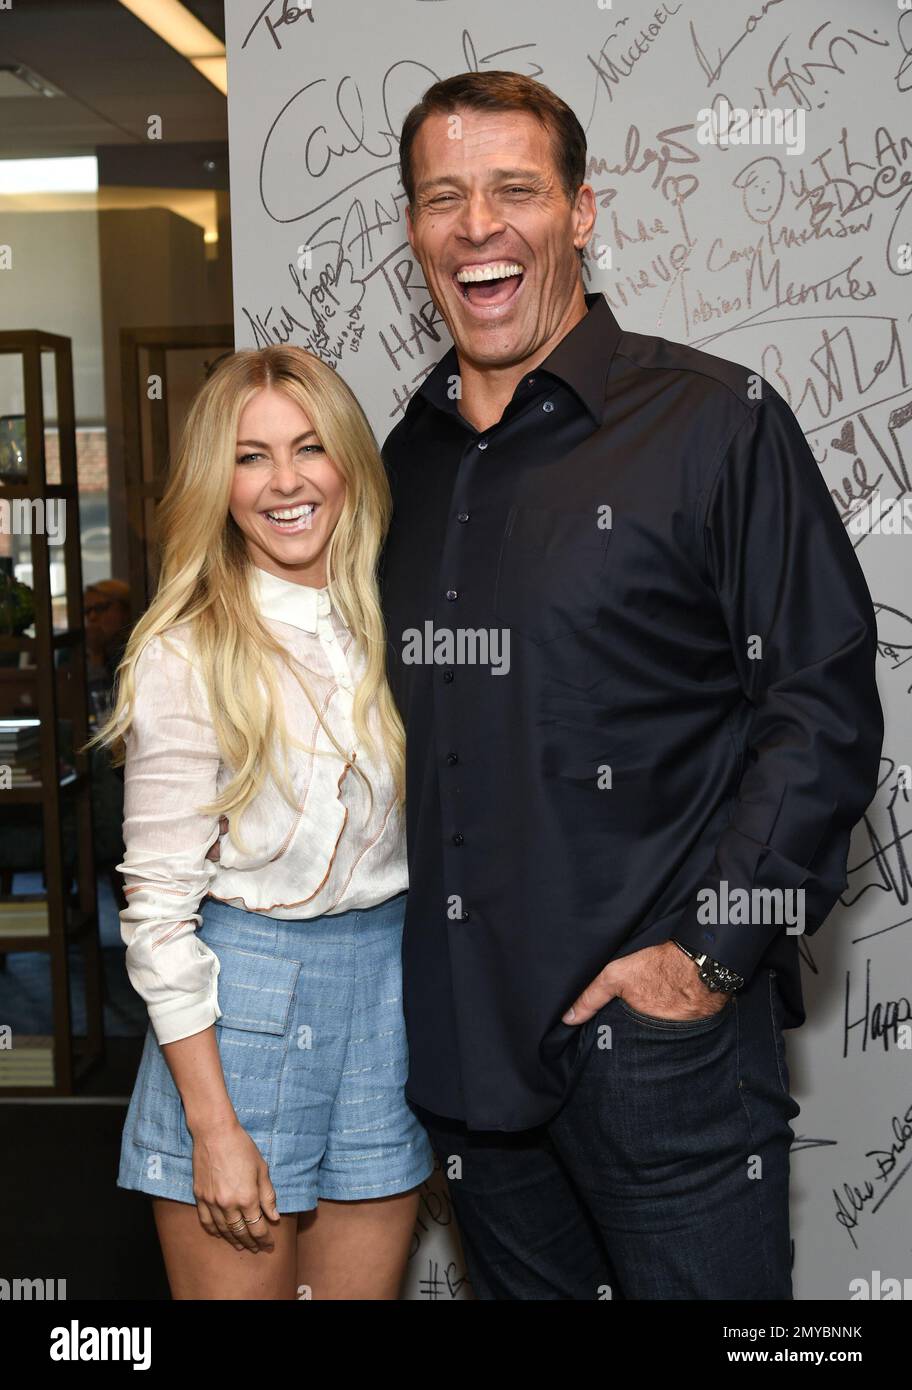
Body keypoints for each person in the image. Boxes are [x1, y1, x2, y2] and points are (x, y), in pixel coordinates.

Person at [376, 71, 884, 1299]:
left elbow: (821, 708)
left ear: (582, 210)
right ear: (412, 232)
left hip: (663, 1061)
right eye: (444, 198)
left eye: (515, 190)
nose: (477, 226)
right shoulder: (403, 459)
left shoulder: (715, 423)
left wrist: (702, 962)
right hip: (468, 1066)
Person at [92, 346, 433, 1300]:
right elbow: (155, 910)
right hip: (233, 1021)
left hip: (385, 1008)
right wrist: (213, 1126)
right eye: (250, 457)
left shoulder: (396, 617)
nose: (285, 482)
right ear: (218, 480)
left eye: (309, 448)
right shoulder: (185, 646)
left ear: (349, 464)